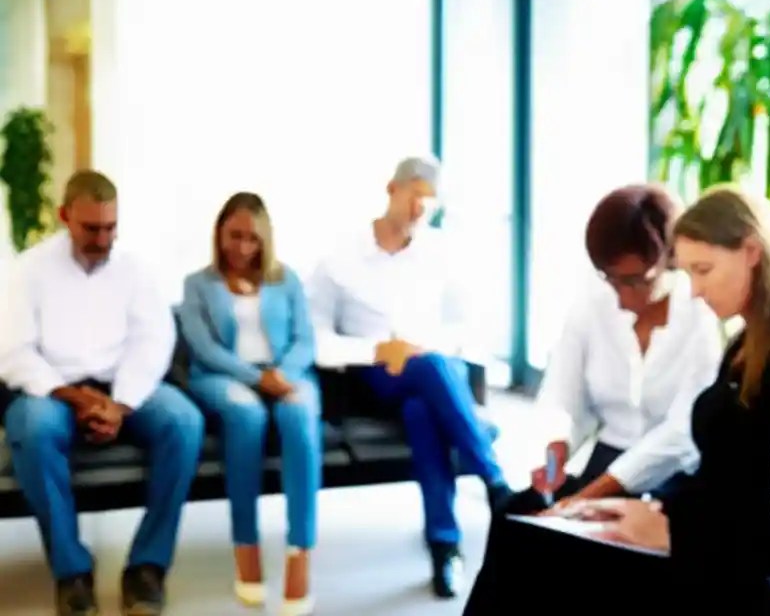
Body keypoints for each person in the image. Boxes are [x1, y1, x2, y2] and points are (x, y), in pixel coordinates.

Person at [464, 186, 770, 616]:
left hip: (714, 543)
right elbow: (564, 394)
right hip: (692, 517)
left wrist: (664, 522)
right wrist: (652, 510)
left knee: (540, 553)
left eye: (703, 270)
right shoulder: (744, 346)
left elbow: (755, 495)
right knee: (518, 526)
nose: (695, 289)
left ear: (752, 252)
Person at [0, 170, 204, 616]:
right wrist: (77, 398)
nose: (102, 239)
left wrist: (120, 404)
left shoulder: (135, 270)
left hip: (123, 387)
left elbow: (153, 341)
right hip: (52, 392)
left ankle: (147, 568)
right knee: (33, 430)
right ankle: (72, 572)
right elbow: (13, 351)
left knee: (184, 421)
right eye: (91, 228)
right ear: (64, 217)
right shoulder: (30, 270)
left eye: (111, 227)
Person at [307, 156, 510, 598]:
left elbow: (464, 327)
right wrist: (376, 350)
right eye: (415, 196)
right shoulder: (340, 258)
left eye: (430, 201)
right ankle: (494, 480)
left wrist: (422, 347)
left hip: (435, 371)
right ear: (392, 189)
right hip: (375, 376)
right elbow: (315, 339)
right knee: (428, 372)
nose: (421, 208)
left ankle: (444, 547)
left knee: (423, 408)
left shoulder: (442, 254)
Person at [525, 184, 722, 511]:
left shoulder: (699, 314)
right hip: (607, 461)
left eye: (634, 280)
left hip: (674, 473)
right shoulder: (592, 303)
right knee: (519, 520)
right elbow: (561, 395)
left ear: (670, 260)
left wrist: (589, 497)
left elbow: (682, 430)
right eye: (610, 278)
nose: (621, 295)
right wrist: (557, 444)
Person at [177, 192, 320, 615]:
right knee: (246, 414)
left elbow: (305, 340)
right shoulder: (197, 284)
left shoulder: (286, 280)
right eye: (234, 236)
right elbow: (204, 348)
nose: (242, 247)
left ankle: (300, 551)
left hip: (285, 372)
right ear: (219, 233)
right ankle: (246, 545)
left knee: (299, 413)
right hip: (221, 377)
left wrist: (283, 376)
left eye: (252, 238)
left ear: (265, 239)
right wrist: (258, 379)